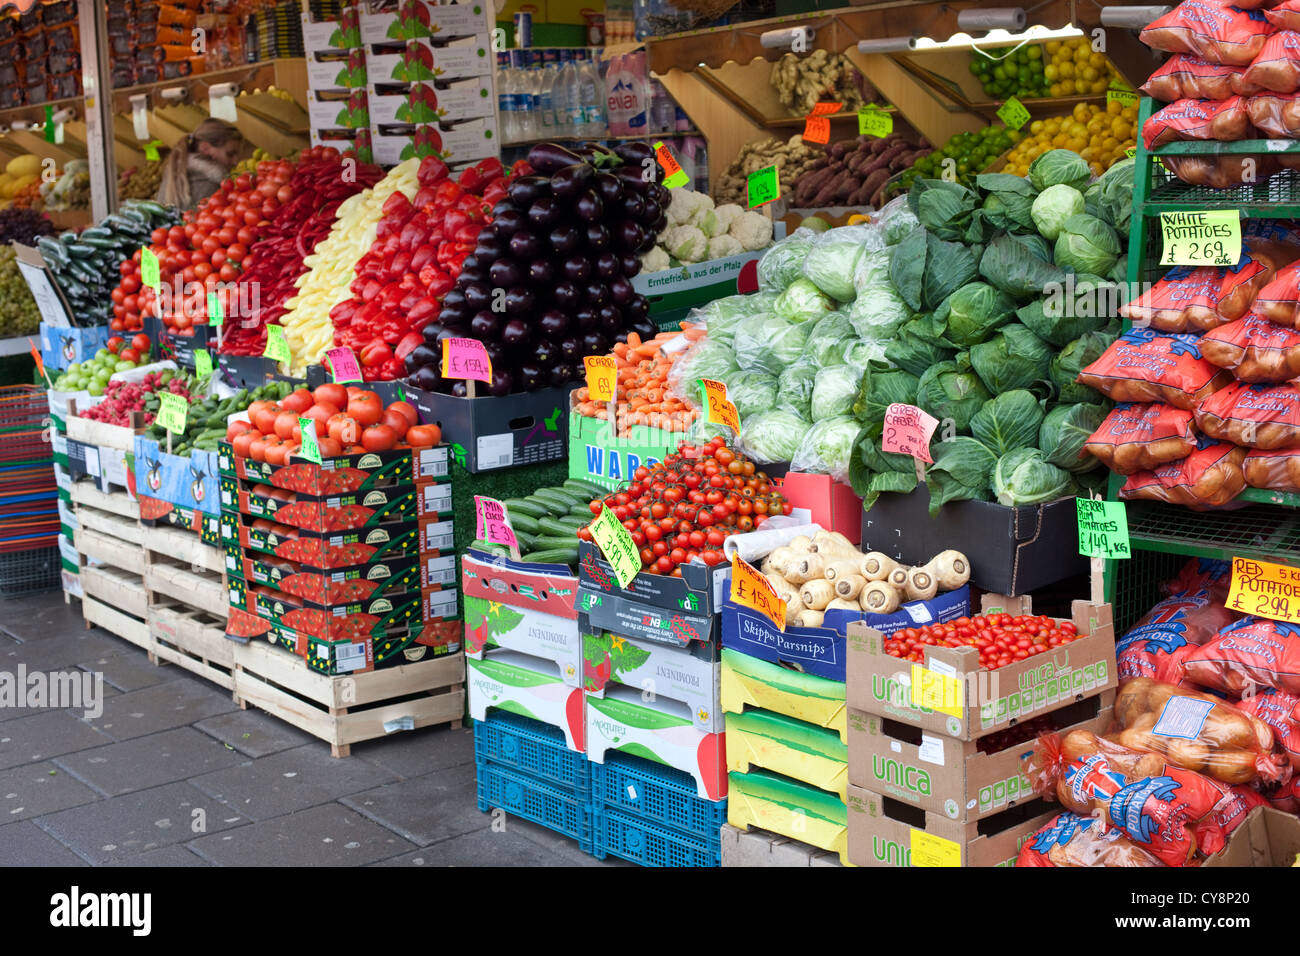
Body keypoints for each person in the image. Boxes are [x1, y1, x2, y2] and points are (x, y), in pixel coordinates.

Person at [154, 119, 247, 210]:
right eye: (230, 154)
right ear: (205, 148)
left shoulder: (175, 173)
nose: (236, 162)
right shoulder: (210, 186)